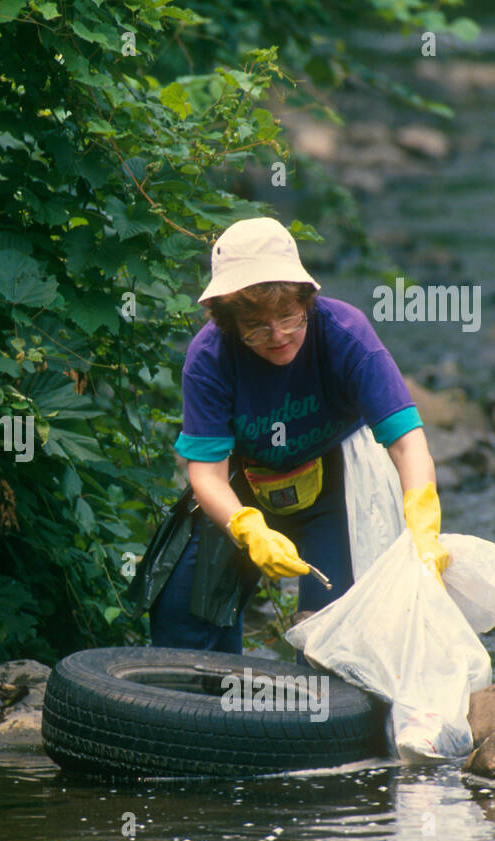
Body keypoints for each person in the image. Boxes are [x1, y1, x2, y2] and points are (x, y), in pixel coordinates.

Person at [150, 217, 449, 658]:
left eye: (289, 317)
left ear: (307, 300)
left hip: (335, 480)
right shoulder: (209, 358)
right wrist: (247, 529)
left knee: (333, 634)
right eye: (255, 325)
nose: (278, 337)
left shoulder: (345, 333)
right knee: (183, 617)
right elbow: (207, 475)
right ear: (229, 323)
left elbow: (406, 441)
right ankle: (209, 710)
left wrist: (423, 518)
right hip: (244, 485)